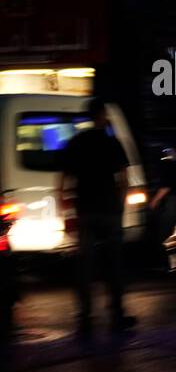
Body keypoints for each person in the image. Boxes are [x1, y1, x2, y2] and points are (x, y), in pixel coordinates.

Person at [59, 96, 135, 338]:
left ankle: (85, 317)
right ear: (103, 115)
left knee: (84, 266)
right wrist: (120, 206)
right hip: (109, 210)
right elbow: (123, 179)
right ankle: (117, 313)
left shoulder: (76, 142)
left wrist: (65, 209)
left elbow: (63, 179)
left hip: (85, 211)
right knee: (114, 264)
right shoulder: (113, 144)